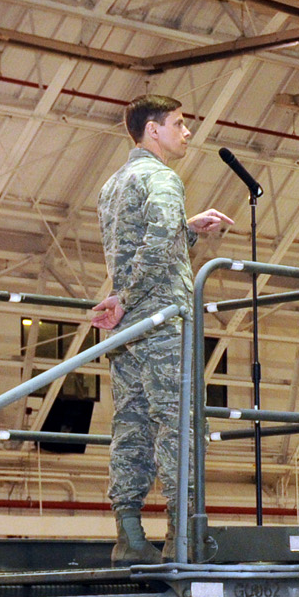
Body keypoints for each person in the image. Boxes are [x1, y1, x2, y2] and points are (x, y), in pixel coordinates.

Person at [92, 94, 233, 563]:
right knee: (180, 425)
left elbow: (138, 245)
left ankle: (129, 534)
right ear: (154, 130)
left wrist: (187, 230)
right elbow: (153, 250)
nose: (186, 132)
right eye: (178, 123)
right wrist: (127, 296)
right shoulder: (163, 179)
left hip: (128, 332)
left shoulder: (113, 184)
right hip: (164, 323)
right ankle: (183, 534)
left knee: (130, 425)